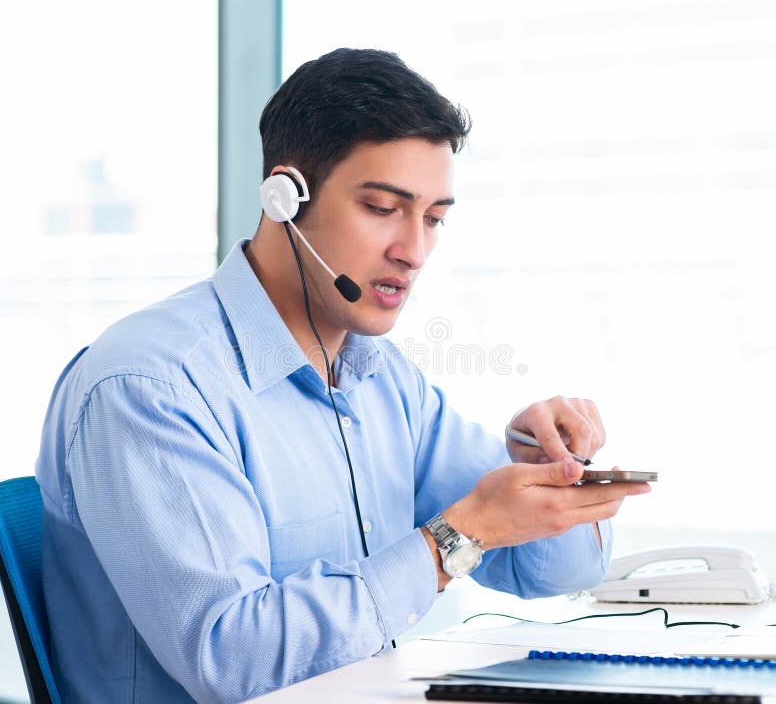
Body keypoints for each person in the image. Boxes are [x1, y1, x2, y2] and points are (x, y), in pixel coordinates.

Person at [35, 48, 650, 703]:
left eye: (434, 218)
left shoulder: (381, 381)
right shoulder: (150, 387)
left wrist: (551, 470)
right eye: (384, 207)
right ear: (284, 197)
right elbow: (234, 660)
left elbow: (552, 569)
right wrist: (453, 541)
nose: (414, 251)